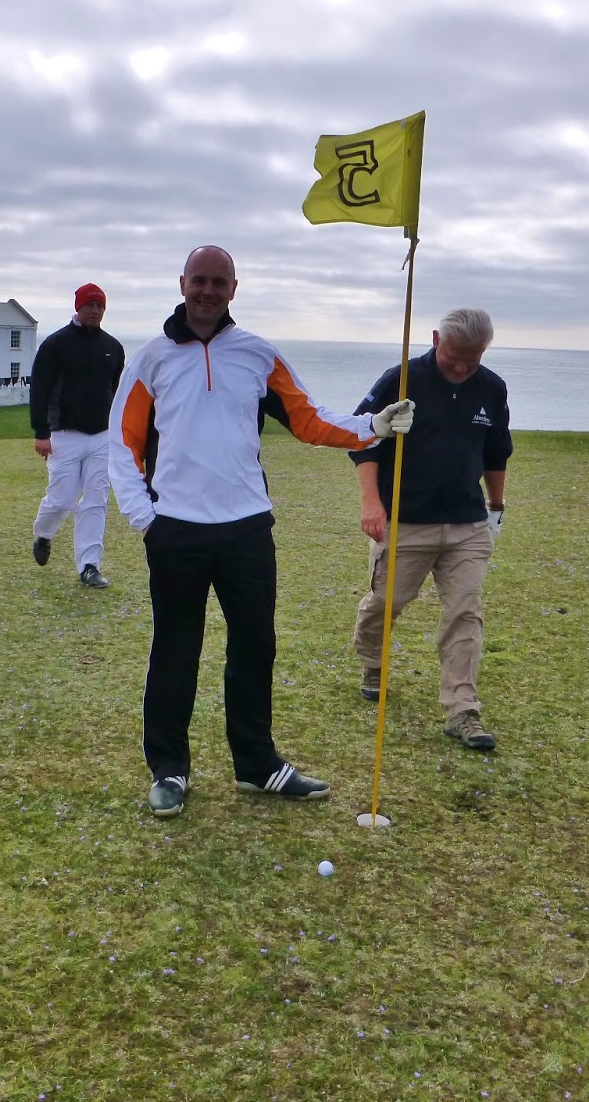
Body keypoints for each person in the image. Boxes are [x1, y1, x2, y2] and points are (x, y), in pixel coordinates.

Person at [109, 245, 415, 818]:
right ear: (182, 283)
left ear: (233, 288)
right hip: (175, 530)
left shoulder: (256, 354)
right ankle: (169, 769)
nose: (207, 290)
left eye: (218, 282)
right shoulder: (149, 359)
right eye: (198, 280)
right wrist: (145, 520)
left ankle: (256, 765)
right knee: (176, 650)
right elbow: (122, 444)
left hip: (246, 529)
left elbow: (308, 418)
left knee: (256, 647)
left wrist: (372, 426)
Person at [349, 307, 512, 752]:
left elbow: (497, 451)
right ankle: (372, 663)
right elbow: (363, 441)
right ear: (437, 339)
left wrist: (496, 507)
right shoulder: (399, 380)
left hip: (467, 525)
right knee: (387, 602)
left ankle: (462, 710)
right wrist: (372, 504)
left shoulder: (492, 388)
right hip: (405, 521)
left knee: (465, 611)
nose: (461, 368)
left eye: (472, 360)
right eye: (453, 357)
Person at [29, 282, 127, 588]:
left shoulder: (113, 347)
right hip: (64, 435)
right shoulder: (56, 344)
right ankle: (43, 534)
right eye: (90, 306)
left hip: (102, 437)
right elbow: (40, 389)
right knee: (61, 499)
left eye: (100, 306)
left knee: (96, 500)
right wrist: (41, 432)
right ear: (78, 307)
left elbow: (119, 392)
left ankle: (89, 566)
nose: (95, 311)